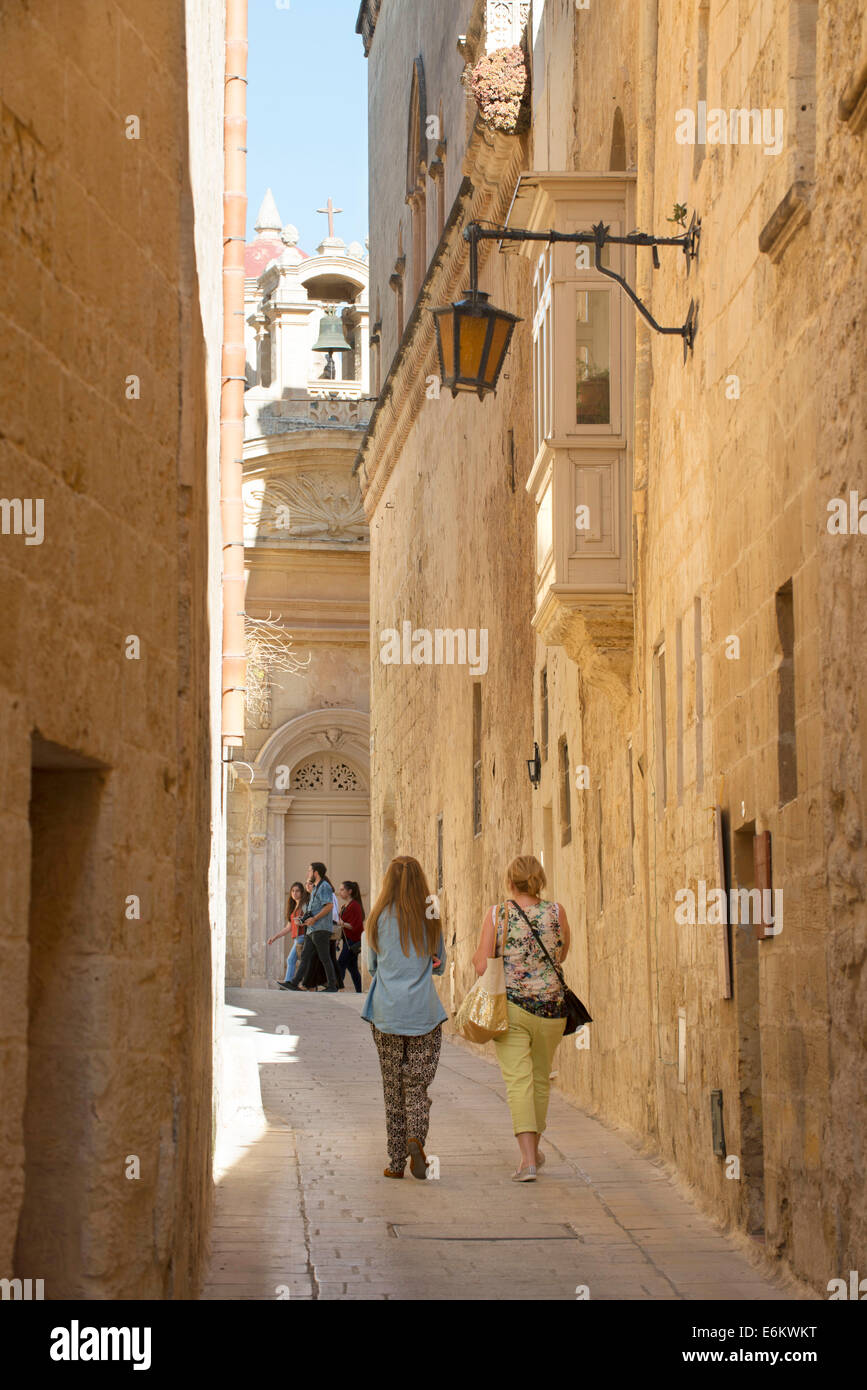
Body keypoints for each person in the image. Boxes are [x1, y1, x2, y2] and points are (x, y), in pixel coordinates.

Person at [472, 854, 571, 1182]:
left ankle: (528, 1160)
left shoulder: (498, 914)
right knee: (541, 1079)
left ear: (510, 883)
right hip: (552, 1009)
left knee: (519, 1081)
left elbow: (482, 964)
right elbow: (561, 953)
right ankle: (534, 1153)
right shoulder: (556, 912)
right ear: (539, 880)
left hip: (512, 1008)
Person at [362, 856, 446, 1179]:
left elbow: (372, 966)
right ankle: (416, 1136)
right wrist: (428, 964)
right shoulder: (430, 914)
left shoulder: (378, 917)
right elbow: (440, 962)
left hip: (386, 1014)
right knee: (417, 1083)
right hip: (423, 1013)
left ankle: (396, 1162)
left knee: (392, 1086)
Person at [286, 861, 339, 992]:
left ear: (316, 873)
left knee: (325, 957)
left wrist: (314, 918)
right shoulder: (315, 888)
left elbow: (329, 906)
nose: (307, 873)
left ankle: (332, 986)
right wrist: (303, 920)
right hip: (312, 929)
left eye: (309, 871)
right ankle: (294, 983)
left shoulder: (324, 886)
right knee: (305, 956)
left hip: (321, 928)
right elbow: (313, 909)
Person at [269, 882, 309, 988]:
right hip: (296, 938)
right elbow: (288, 928)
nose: (294, 893)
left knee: (291, 959)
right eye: (293, 891)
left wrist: (301, 922)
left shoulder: (304, 906)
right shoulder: (293, 907)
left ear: (301, 892)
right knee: (300, 961)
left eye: (297, 891)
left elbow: (310, 918)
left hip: (302, 937)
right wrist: (275, 937)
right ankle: (294, 983)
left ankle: (289, 982)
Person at [336, 881, 365, 993]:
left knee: (341, 964)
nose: (340, 892)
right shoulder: (345, 906)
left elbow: (355, 926)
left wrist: (342, 923)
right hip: (347, 940)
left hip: (353, 941)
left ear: (350, 891)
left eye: (342, 889)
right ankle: (359, 991)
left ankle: (338, 988)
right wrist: (338, 939)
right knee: (352, 968)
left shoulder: (355, 906)